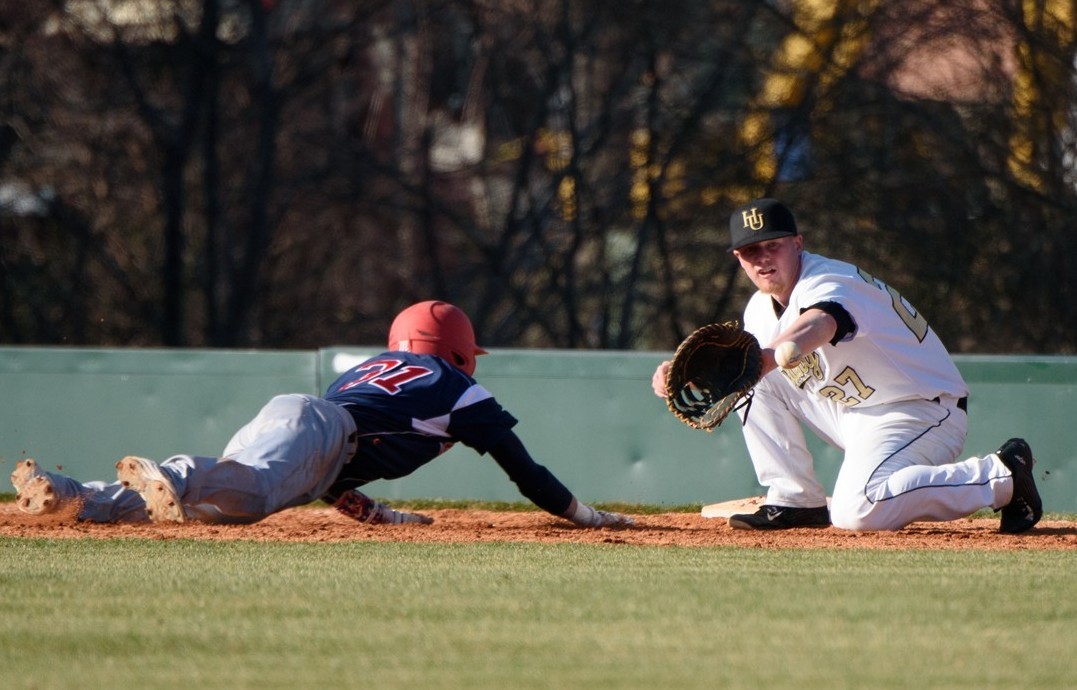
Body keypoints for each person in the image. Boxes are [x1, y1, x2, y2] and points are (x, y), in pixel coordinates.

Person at [11, 300, 632, 529]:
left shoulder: (365, 372)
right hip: (324, 433)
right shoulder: (461, 392)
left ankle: (68, 495)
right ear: (461, 352)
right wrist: (587, 515)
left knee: (205, 512)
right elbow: (525, 473)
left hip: (303, 422)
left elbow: (332, 477)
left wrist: (385, 516)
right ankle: (176, 469)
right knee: (245, 494)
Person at [651, 198, 1042, 533]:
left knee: (856, 510)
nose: (763, 258)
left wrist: (770, 356)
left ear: (798, 244)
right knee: (746, 373)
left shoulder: (832, 279)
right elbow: (751, 363)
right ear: (738, 258)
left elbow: (823, 321)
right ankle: (795, 498)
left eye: (773, 245)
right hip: (851, 410)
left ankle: (1002, 475)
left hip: (920, 411)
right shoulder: (759, 307)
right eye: (751, 251)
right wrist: (689, 374)